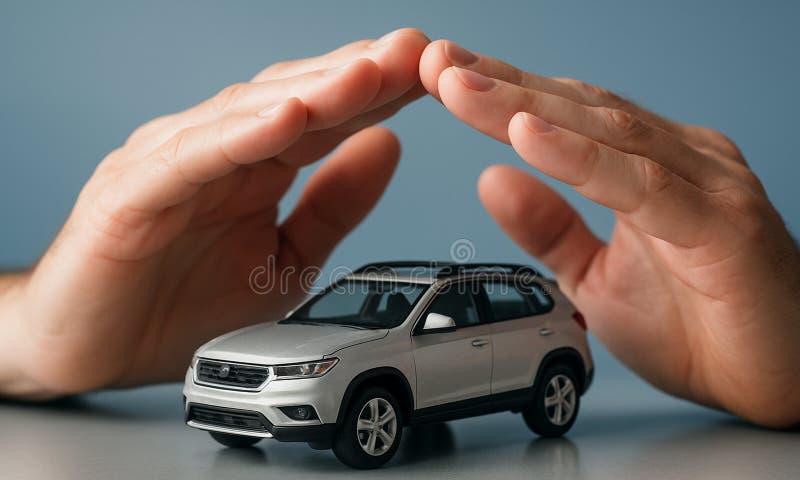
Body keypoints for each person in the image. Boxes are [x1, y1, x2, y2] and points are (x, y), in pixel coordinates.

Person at [0, 29, 797, 428]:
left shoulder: (495, 322)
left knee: (384, 402)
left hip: (496, 334)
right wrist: (26, 331)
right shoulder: (292, 326)